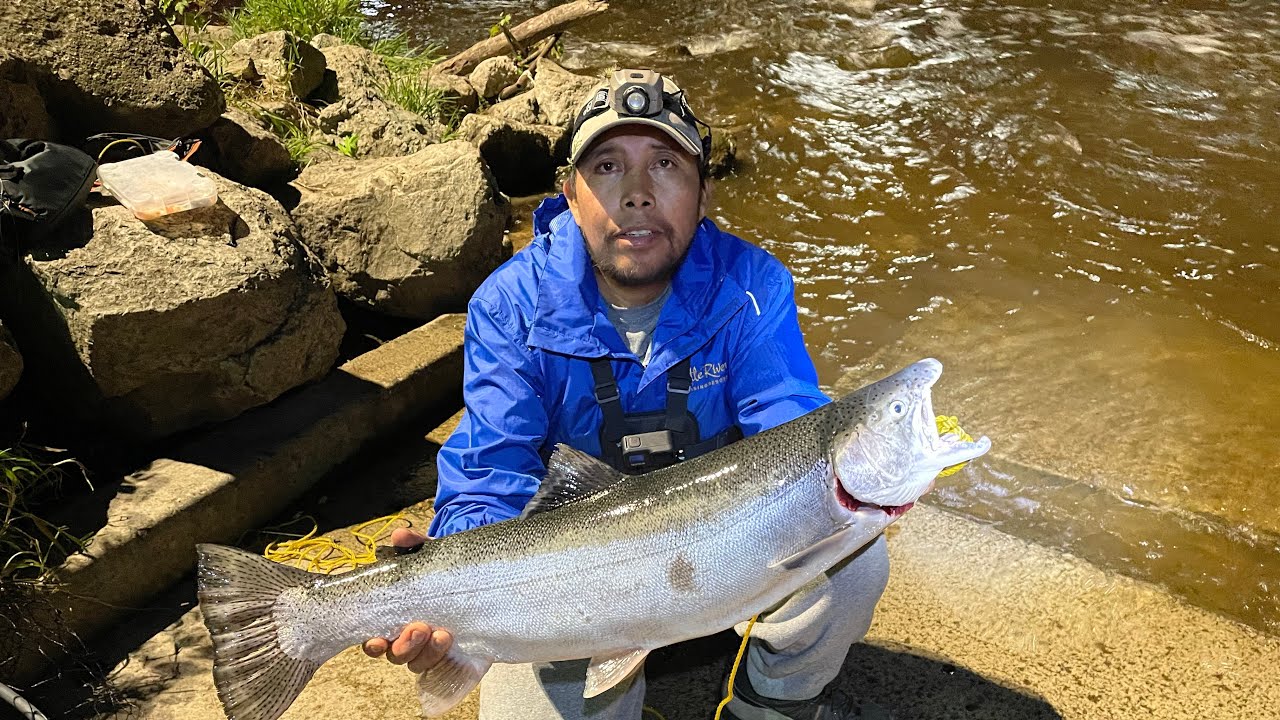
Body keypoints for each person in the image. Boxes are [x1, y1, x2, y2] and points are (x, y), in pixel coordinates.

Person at [362, 69, 890, 720]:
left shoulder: (752, 286)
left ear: (703, 195)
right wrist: (451, 570)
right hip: (568, 580)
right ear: (571, 195)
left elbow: (793, 431)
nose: (637, 194)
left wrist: (856, 470)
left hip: (721, 561)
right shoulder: (509, 306)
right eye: (608, 166)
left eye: (665, 164)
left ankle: (769, 707)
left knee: (853, 553)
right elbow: (490, 473)